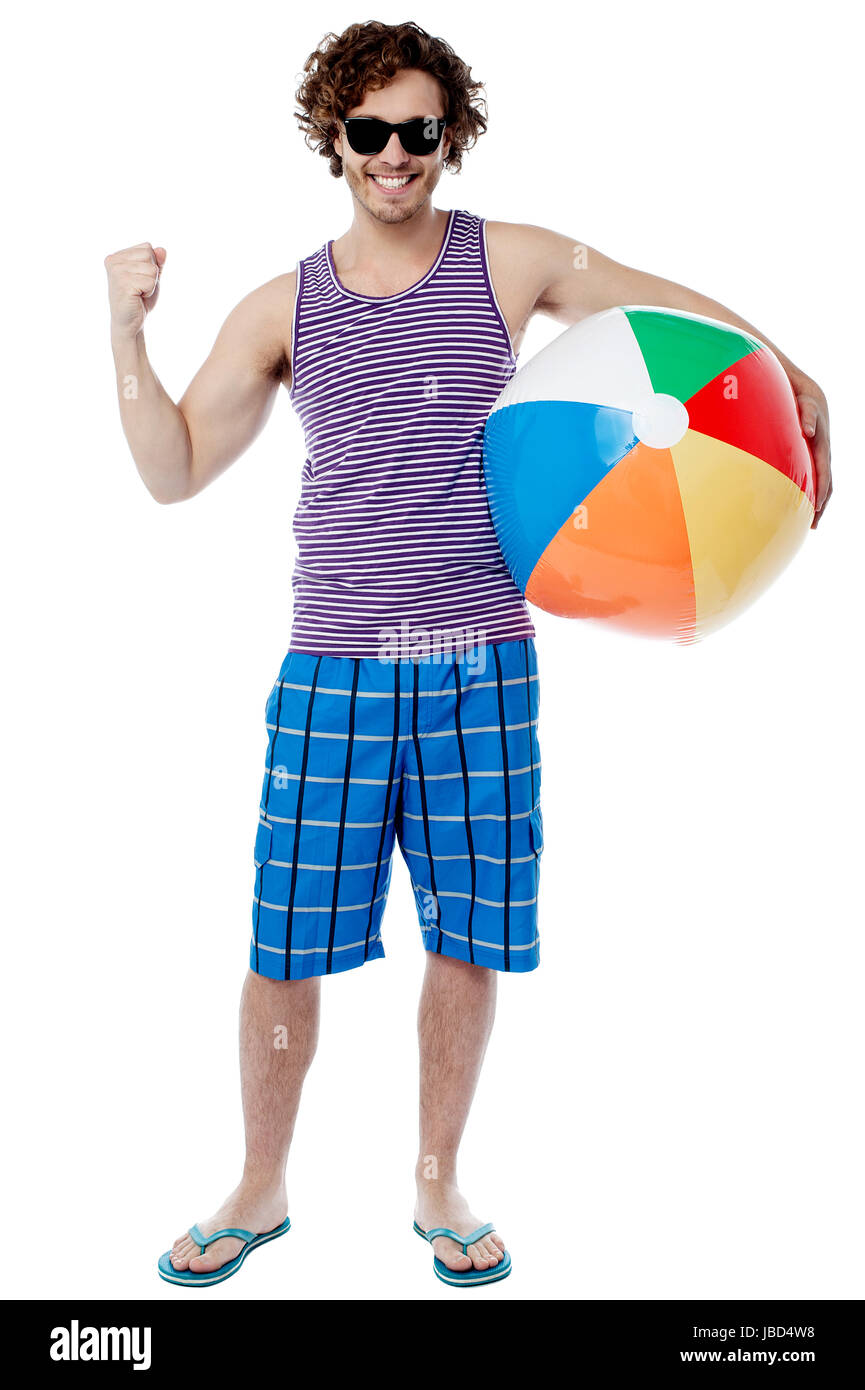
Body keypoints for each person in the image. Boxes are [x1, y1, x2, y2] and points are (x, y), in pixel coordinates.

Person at [104, 19, 832, 1290]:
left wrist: (784, 363)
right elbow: (171, 475)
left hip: (481, 664)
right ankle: (259, 1183)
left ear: (451, 135)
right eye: (371, 132)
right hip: (333, 663)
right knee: (284, 940)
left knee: (472, 934)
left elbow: (653, 302)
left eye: (419, 131)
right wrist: (124, 336)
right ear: (334, 138)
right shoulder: (283, 305)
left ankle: (436, 1184)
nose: (395, 156)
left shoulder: (510, 261)